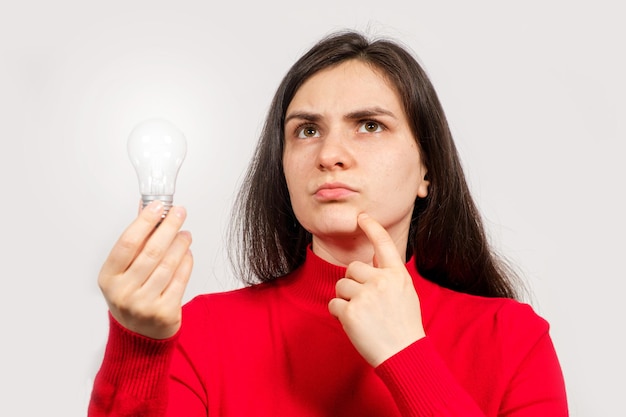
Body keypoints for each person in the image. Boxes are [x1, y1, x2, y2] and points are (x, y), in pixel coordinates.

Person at [88, 30, 568, 416]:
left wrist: (408, 357)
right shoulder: (203, 334)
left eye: (370, 125)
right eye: (307, 130)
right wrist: (139, 347)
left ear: (428, 169)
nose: (329, 155)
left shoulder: (512, 340)